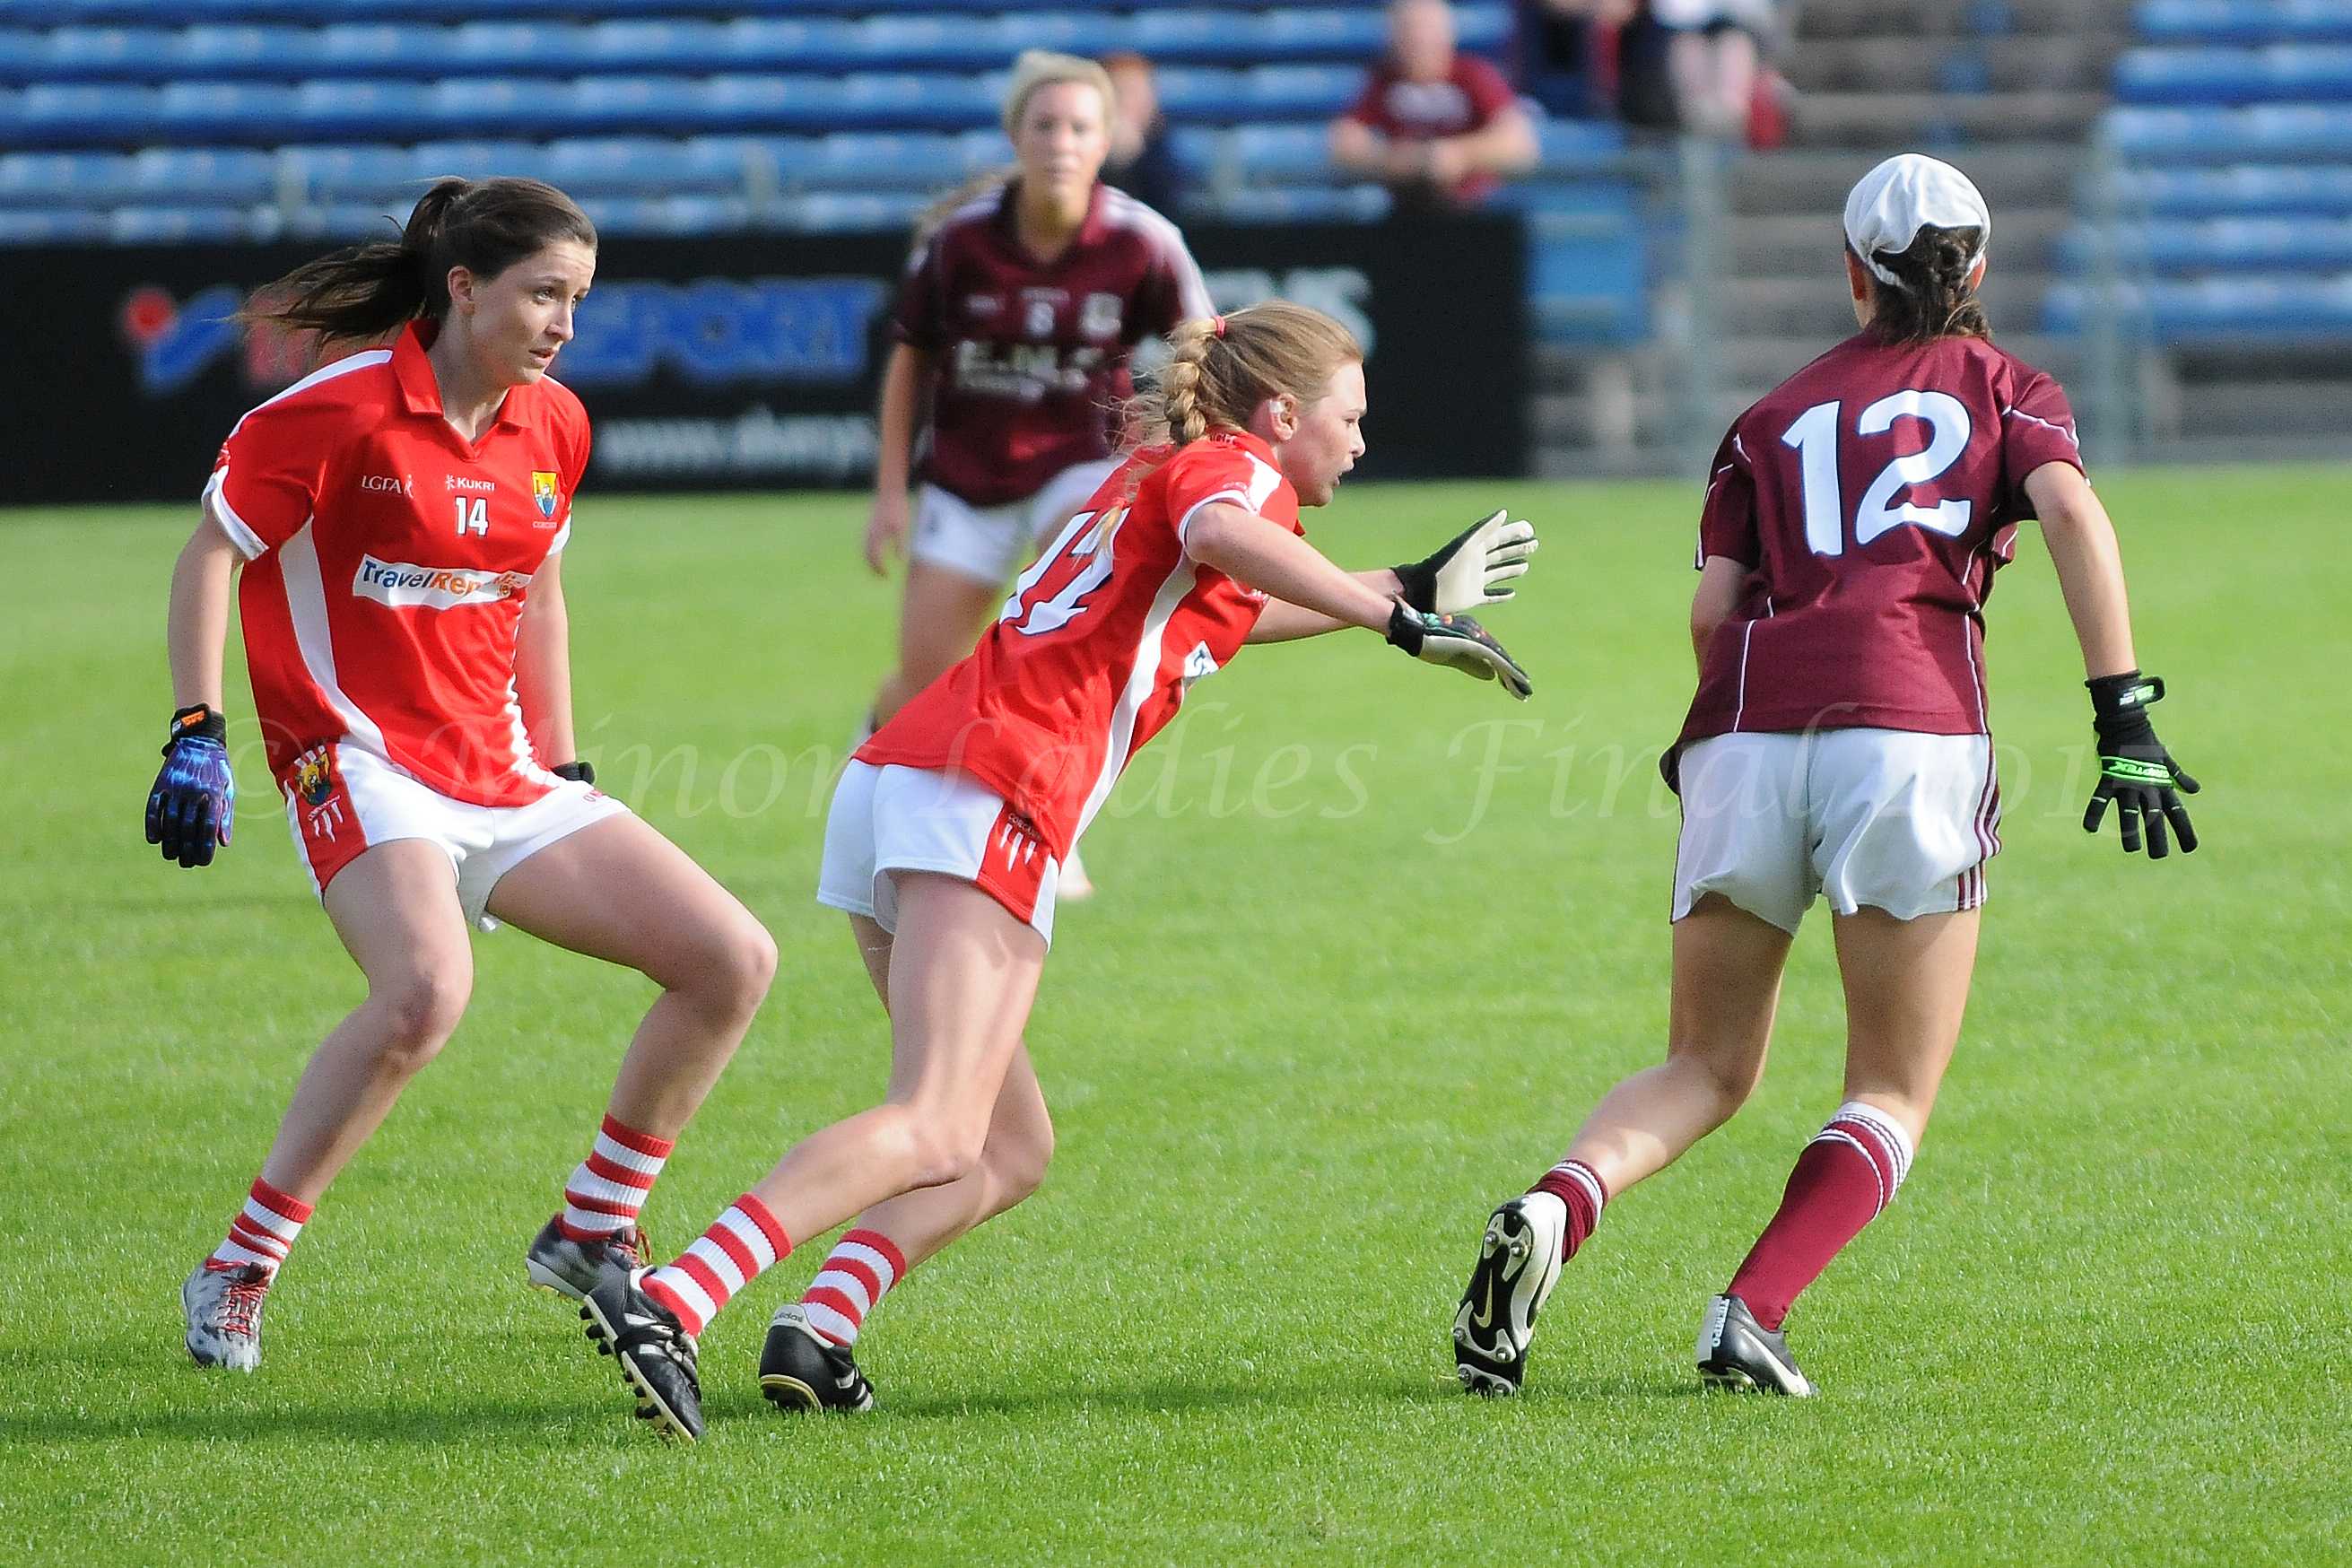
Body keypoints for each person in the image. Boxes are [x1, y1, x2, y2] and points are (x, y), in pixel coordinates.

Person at [572, 301, 1540, 1442]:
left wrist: (1407, 581)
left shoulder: (1158, 472)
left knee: (1007, 1145)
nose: (1362, 441)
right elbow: (1229, 533)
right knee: (935, 1123)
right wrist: (1393, 620)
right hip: (993, 787)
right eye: (1351, 416)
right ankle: (673, 1297)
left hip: (907, 777)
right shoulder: (1235, 474)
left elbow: (1229, 598)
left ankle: (819, 1327)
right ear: (1283, 415)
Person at [1450, 154, 2201, 1398]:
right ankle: (1751, 1311)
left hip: (1742, 732)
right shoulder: (2008, 386)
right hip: (1907, 726)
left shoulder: (1768, 413)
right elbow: (2071, 514)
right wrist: (2122, 713)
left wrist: (1721, 745)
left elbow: (1713, 610)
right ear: (1979, 265)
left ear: (1852, 273)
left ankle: (1555, 1204)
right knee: (1891, 1087)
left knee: (1704, 1066)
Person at [153, 177, 778, 1373]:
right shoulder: (333, 412)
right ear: (463, 287)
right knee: (425, 993)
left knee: (731, 959)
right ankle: (241, 1264)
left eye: (578, 300)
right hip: (355, 759)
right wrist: (197, 729)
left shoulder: (557, 424)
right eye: (544, 295)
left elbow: (536, 593)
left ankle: (592, 1226)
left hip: (498, 768)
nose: (565, 325)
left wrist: (563, 763)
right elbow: (211, 554)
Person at [861, 49, 1214, 900]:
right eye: (1045, 125)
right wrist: (889, 491)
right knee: (926, 679)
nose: (1062, 142)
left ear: (1107, 140)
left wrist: (1173, 453)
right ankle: (875, 762)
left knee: (1059, 642)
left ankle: (1044, 819)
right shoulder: (960, 242)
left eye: (1080, 127)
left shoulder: (1143, 238)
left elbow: (1203, 348)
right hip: (967, 475)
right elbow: (910, 358)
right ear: (1015, 135)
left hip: (1081, 465)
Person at [1330, 0, 1540, 207]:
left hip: (1473, 206)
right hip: (1406, 207)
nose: (1420, 41)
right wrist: (1392, 159)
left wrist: (1458, 154)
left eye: (1427, 31)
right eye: (1410, 32)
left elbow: (1519, 144)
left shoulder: (1474, 76)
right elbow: (1344, 144)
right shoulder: (1384, 81)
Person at [1102, 52, 1187, 218]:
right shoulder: (1082, 147)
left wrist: (1134, 157)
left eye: (1137, 93)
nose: (1127, 102)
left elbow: (1168, 206)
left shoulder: (1162, 148)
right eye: (1120, 93)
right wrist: (1112, 163)